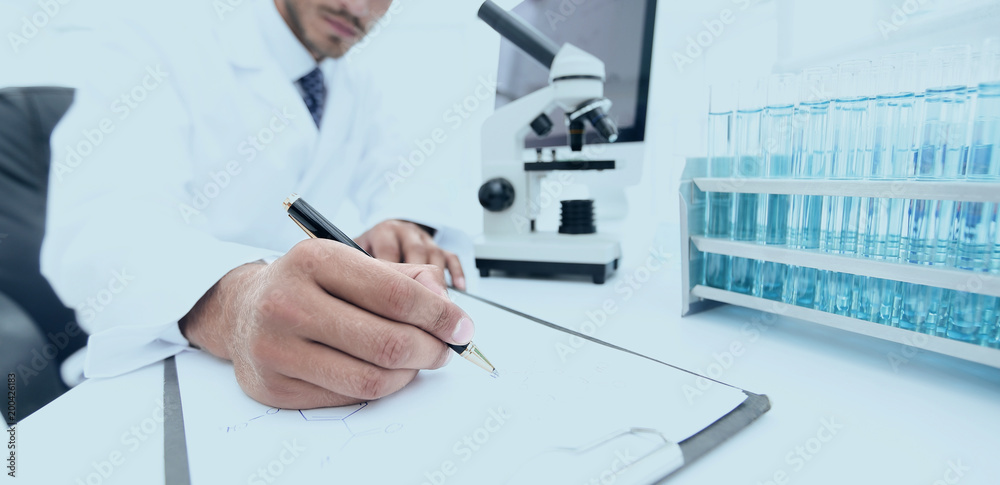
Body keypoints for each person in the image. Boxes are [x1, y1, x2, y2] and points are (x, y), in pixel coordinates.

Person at [41, 0, 473, 408]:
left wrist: (401, 221)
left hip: (293, 364)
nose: (358, 8)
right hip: (158, 369)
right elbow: (100, 226)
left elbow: (401, 169)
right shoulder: (156, 34)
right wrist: (235, 306)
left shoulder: (348, 76)